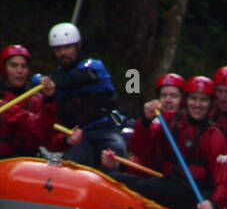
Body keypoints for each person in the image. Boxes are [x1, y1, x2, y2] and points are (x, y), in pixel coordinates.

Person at [116, 75, 227, 209]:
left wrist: (214, 204)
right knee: (114, 176)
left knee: (145, 187)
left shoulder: (215, 136)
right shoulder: (171, 120)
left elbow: (224, 183)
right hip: (167, 182)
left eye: (203, 100)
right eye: (193, 98)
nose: (197, 104)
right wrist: (145, 121)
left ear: (211, 104)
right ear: (186, 100)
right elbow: (140, 150)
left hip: (194, 195)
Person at [37, 22, 125, 166]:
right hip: (78, 137)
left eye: (67, 47)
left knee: (116, 150)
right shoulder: (54, 78)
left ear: (78, 46)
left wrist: (52, 83)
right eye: (58, 49)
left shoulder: (94, 66)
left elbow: (79, 78)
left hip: (105, 130)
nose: (63, 53)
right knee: (70, 163)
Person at [0, 43, 77, 155]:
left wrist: (66, 140)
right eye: (13, 66)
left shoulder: (37, 100)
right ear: (4, 68)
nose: (19, 71)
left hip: (25, 163)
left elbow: (47, 137)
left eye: (23, 66)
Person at [103, 73, 186, 173]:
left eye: (174, 96)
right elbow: (138, 151)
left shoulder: (187, 124)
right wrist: (145, 121)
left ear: (182, 100)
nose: (168, 100)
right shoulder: (152, 123)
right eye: (163, 95)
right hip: (153, 175)